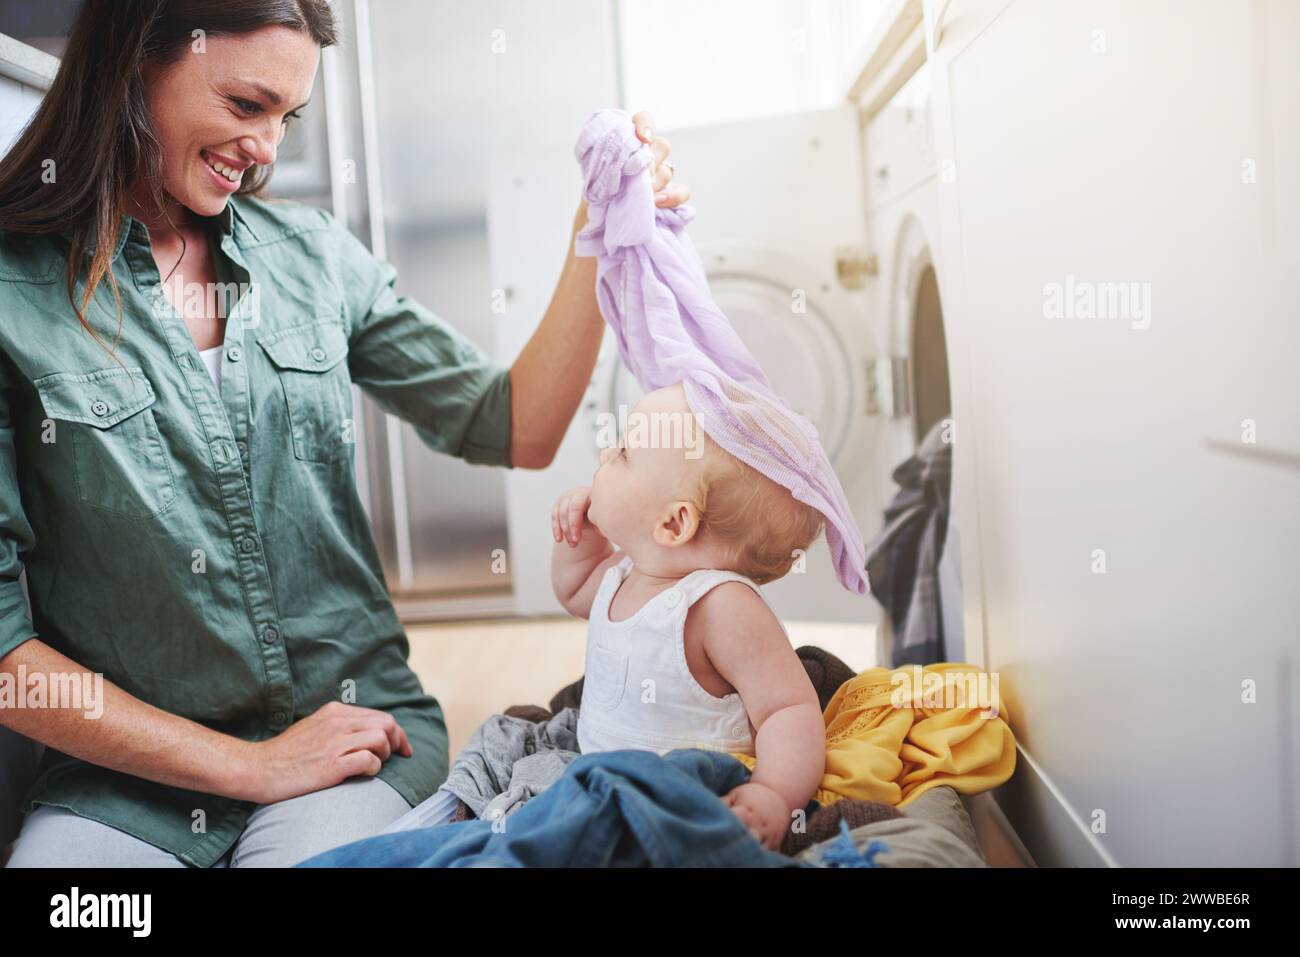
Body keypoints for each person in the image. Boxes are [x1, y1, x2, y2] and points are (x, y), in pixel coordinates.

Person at [0, 0, 689, 867]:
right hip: (121, 775)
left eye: (288, 119)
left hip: (351, 730)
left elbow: (516, 425)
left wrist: (599, 231)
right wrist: (250, 765)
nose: (268, 151)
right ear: (134, 62)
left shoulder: (314, 256)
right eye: (245, 107)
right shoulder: (10, 291)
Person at [550, 383, 828, 850]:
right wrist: (578, 534)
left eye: (622, 453)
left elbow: (788, 709)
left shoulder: (720, 606)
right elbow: (574, 591)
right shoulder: (622, 574)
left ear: (674, 524)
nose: (604, 453)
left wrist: (773, 795)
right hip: (600, 781)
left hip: (690, 792)